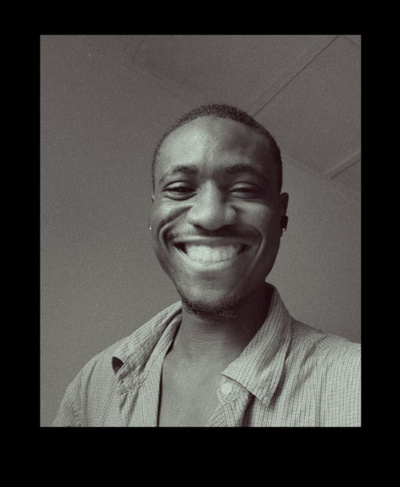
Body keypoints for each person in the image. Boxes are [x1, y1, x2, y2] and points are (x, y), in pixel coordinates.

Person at [52, 103, 361, 427]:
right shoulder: (92, 385)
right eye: (180, 189)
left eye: (244, 189)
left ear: (281, 214)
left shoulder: (352, 383)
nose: (210, 216)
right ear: (153, 213)